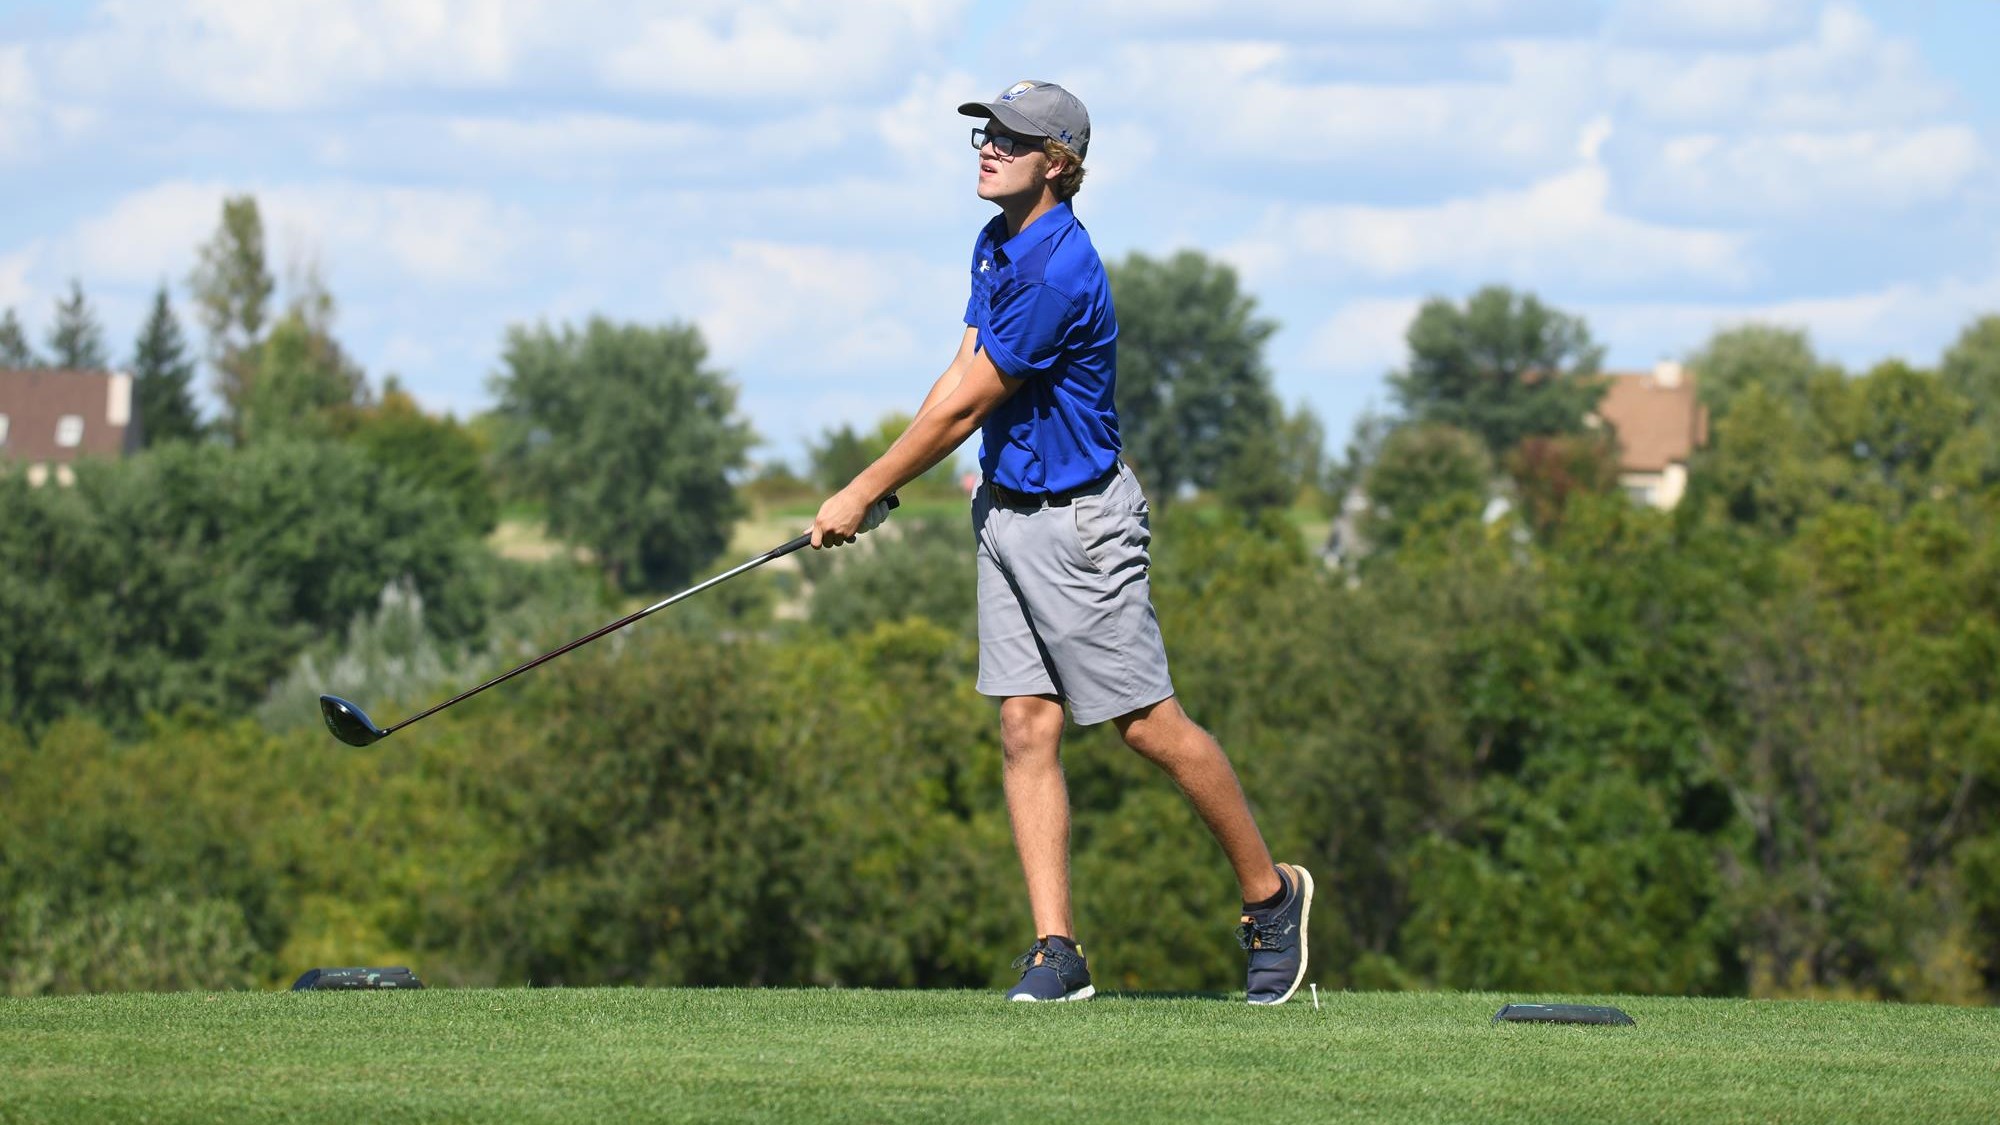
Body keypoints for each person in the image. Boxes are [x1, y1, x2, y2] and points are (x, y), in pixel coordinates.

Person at [810, 79, 1311, 1005]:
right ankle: (1058, 951)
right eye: (985, 135)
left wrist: (864, 486)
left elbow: (971, 401)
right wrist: (889, 486)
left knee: (1147, 726)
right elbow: (958, 370)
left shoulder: (1057, 269)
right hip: (1006, 513)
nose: (989, 148)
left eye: (1012, 138)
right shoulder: (997, 243)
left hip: (1081, 525)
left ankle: (1270, 897)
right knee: (1023, 724)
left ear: (1060, 162)